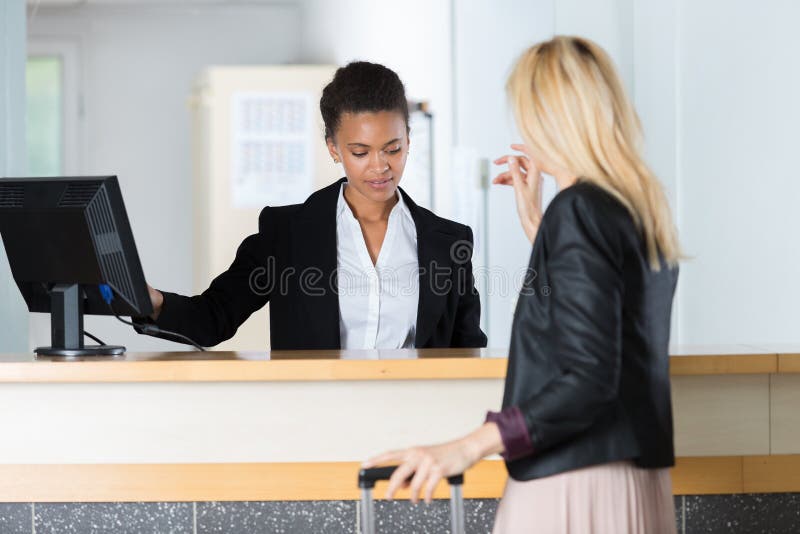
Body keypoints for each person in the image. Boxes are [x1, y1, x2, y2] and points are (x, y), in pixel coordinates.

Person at [363, 36, 681, 533]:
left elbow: (588, 375)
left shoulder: (578, 211)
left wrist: (468, 447)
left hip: (574, 481)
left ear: (550, 116)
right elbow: (599, 313)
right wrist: (539, 224)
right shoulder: (633, 210)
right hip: (630, 479)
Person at [139, 61, 487, 350]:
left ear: (408, 140)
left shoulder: (449, 241)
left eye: (393, 148)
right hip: (315, 419)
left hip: (418, 418)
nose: (380, 166)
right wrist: (152, 302)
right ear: (334, 148)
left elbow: (468, 350)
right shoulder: (286, 233)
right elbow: (213, 317)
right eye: (360, 152)